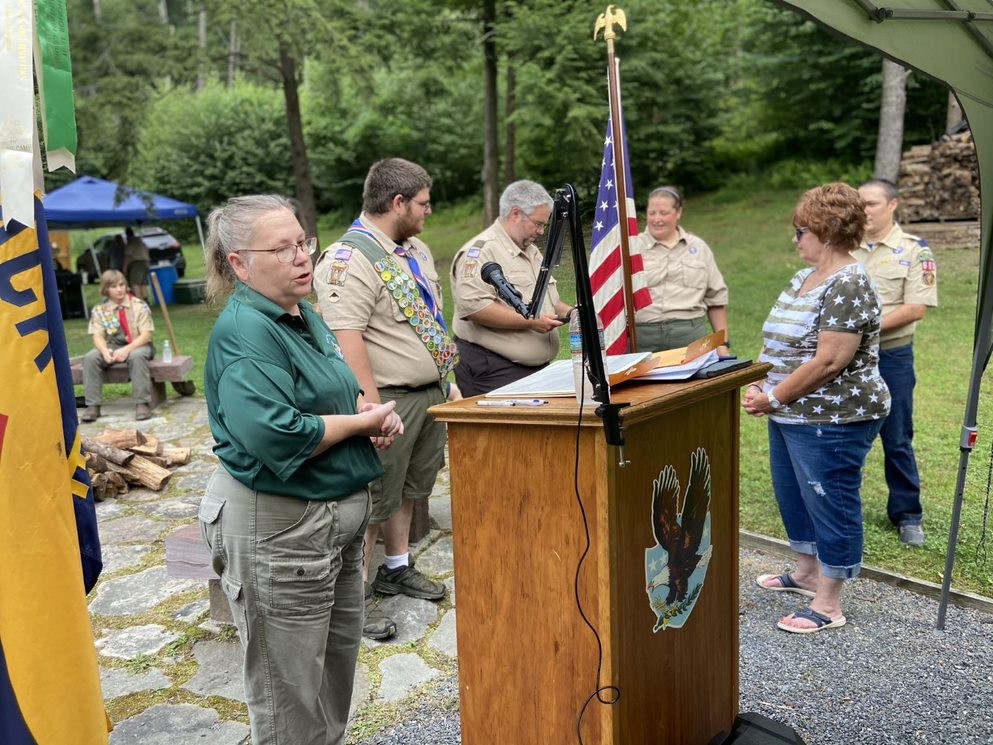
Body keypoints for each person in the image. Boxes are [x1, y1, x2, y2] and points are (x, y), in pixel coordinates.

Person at [197, 194, 403, 745]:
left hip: (328, 522)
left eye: (302, 241)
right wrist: (359, 426)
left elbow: (329, 394)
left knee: (334, 663)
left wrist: (363, 412)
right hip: (279, 529)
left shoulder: (300, 312)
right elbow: (277, 434)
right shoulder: (246, 331)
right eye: (281, 247)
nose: (300, 255)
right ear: (238, 263)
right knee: (287, 689)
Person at [314, 158, 459, 641]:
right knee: (372, 501)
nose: (429, 210)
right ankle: (351, 601)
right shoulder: (348, 259)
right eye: (422, 202)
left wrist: (447, 376)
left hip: (427, 392)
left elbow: (432, 320)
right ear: (397, 203)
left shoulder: (411, 249)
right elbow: (346, 338)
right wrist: (371, 412)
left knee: (409, 490)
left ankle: (396, 568)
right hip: (387, 400)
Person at [743, 183, 890, 634]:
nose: (796, 239)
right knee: (795, 495)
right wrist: (768, 382)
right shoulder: (804, 277)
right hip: (792, 413)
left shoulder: (850, 282)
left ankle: (828, 604)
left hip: (834, 417)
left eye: (801, 230)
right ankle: (807, 573)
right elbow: (787, 340)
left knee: (831, 500)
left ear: (825, 231)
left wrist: (774, 395)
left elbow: (831, 360)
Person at [853, 178, 938, 547]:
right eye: (860, 204)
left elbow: (915, 307)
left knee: (897, 435)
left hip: (892, 355)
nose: (863, 210)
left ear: (892, 206)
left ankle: (907, 514)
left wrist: (859, 328)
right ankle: (840, 505)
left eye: (870, 203)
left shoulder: (915, 251)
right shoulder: (843, 247)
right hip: (847, 357)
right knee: (843, 431)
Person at [450, 180, 573, 396]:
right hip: (493, 370)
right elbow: (474, 308)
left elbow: (549, 301)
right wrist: (530, 322)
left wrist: (573, 313)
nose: (542, 231)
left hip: (531, 371)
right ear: (516, 213)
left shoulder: (531, 251)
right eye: (538, 224)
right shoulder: (480, 252)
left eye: (544, 225)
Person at [630, 186, 731, 355]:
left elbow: (716, 300)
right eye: (651, 213)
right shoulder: (631, 248)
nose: (657, 219)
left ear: (678, 213)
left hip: (690, 337)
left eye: (663, 213)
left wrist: (722, 346)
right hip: (641, 341)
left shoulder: (698, 247)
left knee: (698, 383)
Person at [81, 269, 155, 422]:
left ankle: (142, 403)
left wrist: (127, 349)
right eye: (114, 286)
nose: (119, 289)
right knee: (90, 357)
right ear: (106, 289)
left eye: (122, 284)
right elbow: (97, 335)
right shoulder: (102, 310)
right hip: (113, 345)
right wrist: (104, 351)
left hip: (138, 344)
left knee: (137, 356)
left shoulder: (139, 305)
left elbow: (146, 335)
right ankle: (93, 406)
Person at [123, 227, 150, 300]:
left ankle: (139, 301)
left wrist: (125, 268)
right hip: (146, 263)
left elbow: (128, 256)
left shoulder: (131, 242)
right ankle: (146, 300)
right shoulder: (140, 241)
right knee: (143, 283)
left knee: (135, 283)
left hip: (137, 264)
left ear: (127, 235)